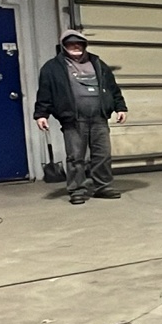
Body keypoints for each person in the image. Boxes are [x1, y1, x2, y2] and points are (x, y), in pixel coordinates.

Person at [33, 29, 127, 205]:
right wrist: (41, 114)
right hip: (73, 119)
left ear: (84, 45)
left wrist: (120, 107)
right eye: (70, 43)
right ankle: (77, 190)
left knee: (102, 155)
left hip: (99, 118)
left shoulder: (98, 63)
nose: (75, 46)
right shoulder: (52, 68)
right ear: (64, 46)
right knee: (76, 157)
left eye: (79, 43)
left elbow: (112, 87)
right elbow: (45, 93)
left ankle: (103, 187)